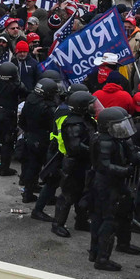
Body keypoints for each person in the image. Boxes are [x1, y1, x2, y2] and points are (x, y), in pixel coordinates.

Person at [90, 105, 140, 272]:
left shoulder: (117, 139)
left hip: (116, 183)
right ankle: (101, 257)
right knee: (108, 220)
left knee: (125, 211)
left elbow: (132, 154)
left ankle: (123, 243)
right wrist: (126, 171)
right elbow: (104, 166)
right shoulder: (104, 141)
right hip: (106, 184)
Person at [52, 90, 97, 239]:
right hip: (74, 164)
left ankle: (81, 221)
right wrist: (95, 150)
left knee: (84, 193)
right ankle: (57, 224)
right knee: (68, 195)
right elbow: (75, 147)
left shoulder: (86, 119)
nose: (93, 106)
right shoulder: (73, 124)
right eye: (90, 104)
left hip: (86, 163)